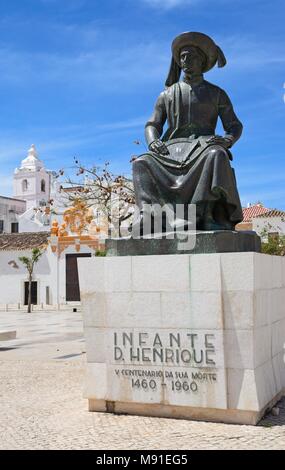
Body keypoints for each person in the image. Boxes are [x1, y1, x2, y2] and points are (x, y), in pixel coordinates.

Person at [132, 32, 243, 232]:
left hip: (203, 147)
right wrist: (153, 141)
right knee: (141, 162)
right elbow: (152, 124)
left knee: (216, 155)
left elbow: (235, 125)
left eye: (190, 56)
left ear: (202, 61)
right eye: (182, 57)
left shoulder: (217, 93)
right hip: (171, 149)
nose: (185, 60)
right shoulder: (166, 94)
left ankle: (204, 214)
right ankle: (150, 217)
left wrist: (227, 140)